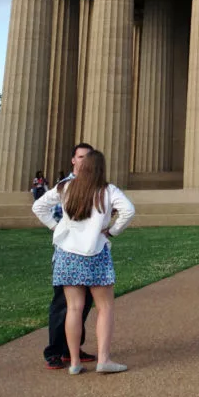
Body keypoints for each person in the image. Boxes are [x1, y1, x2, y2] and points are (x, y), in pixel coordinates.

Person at [33, 149, 135, 375]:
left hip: (67, 253)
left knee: (74, 308)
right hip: (96, 252)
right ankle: (104, 360)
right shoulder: (108, 190)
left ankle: (75, 362)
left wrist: (55, 226)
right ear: (100, 169)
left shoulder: (65, 187)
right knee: (105, 308)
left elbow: (38, 206)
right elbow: (128, 211)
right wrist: (113, 231)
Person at [41, 144, 95, 369]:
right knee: (64, 304)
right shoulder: (64, 186)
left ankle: (70, 349)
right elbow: (41, 207)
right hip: (68, 254)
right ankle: (54, 351)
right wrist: (56, 228)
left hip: (90, 253)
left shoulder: (95, 186)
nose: (83, 161)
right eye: (80, 157)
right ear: (73, 160)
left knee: (83, 305)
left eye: (88, 158)